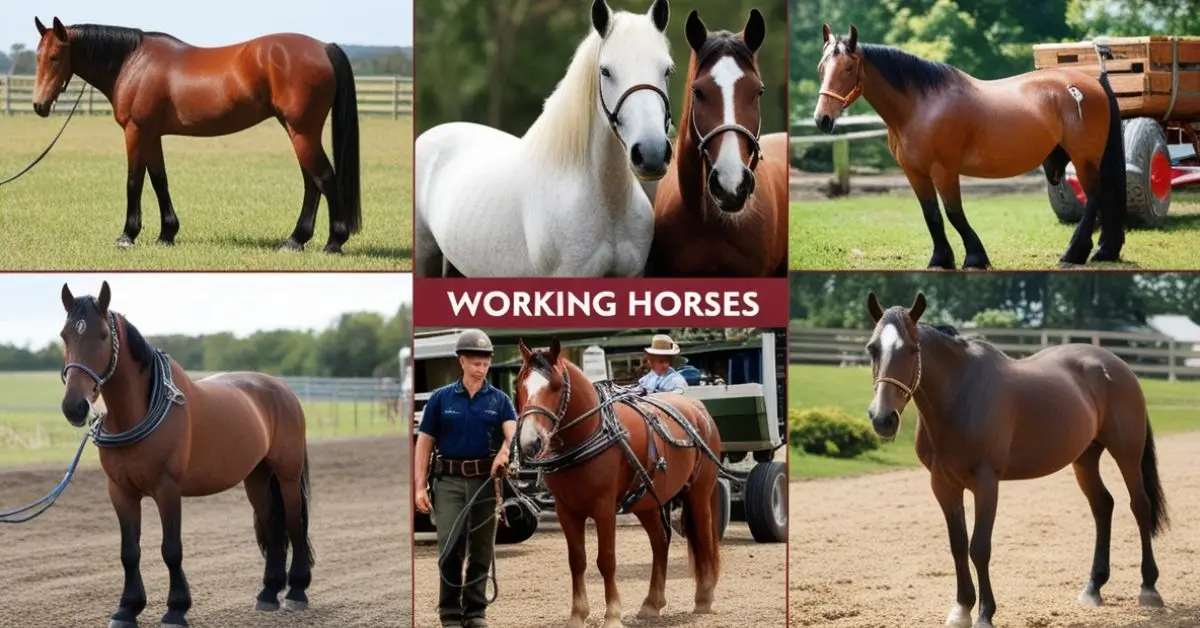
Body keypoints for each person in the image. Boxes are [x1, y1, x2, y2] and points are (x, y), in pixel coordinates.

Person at [414, 329, 516, 628]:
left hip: (486, 481)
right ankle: (449, 612)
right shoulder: (440, 398)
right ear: (462, 362)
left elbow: (513, 430)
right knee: (450, 547)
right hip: (449, 482)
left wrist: (505, 450)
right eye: (475, 362)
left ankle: (475, 612)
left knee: (482, 549)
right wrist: (419, 485)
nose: (480, 368)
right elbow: (425, 442)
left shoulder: (499, 400)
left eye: (485, 363)